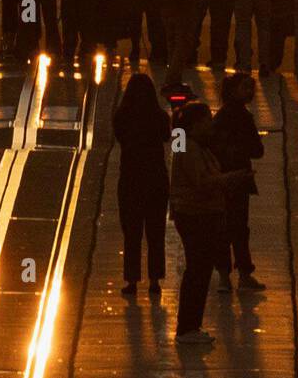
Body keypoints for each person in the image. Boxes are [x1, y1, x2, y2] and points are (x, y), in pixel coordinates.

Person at [169, 100, 250, 344]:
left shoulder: (189, 143)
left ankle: (190, 325)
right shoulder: (190, 148)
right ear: (196, 125)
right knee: (198, 269)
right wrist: (230, 179)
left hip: (196, 212)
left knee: (199, 269)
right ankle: (187, 327)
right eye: (206, 120)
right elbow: (200, 181)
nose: (210, 124)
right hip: (197, 213)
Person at [112, 73, 171, 297]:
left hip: (130, 180)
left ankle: (132, 281)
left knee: (132, 233)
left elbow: (120, 138)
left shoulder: (122, 116)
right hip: (156, 179)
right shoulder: (159, 117)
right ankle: (155, 280)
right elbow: (170, 138)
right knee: (156, 233)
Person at [211, 72, 266, 293]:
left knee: (223, 228)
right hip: (239, 179)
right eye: (246, 88)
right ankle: (244, 274)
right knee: (240, 228)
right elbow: (257, 150)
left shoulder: (219, 118)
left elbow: (198, 145)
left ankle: (224, 276)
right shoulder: (244, 117)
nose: (249, 92)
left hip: (221, 178)